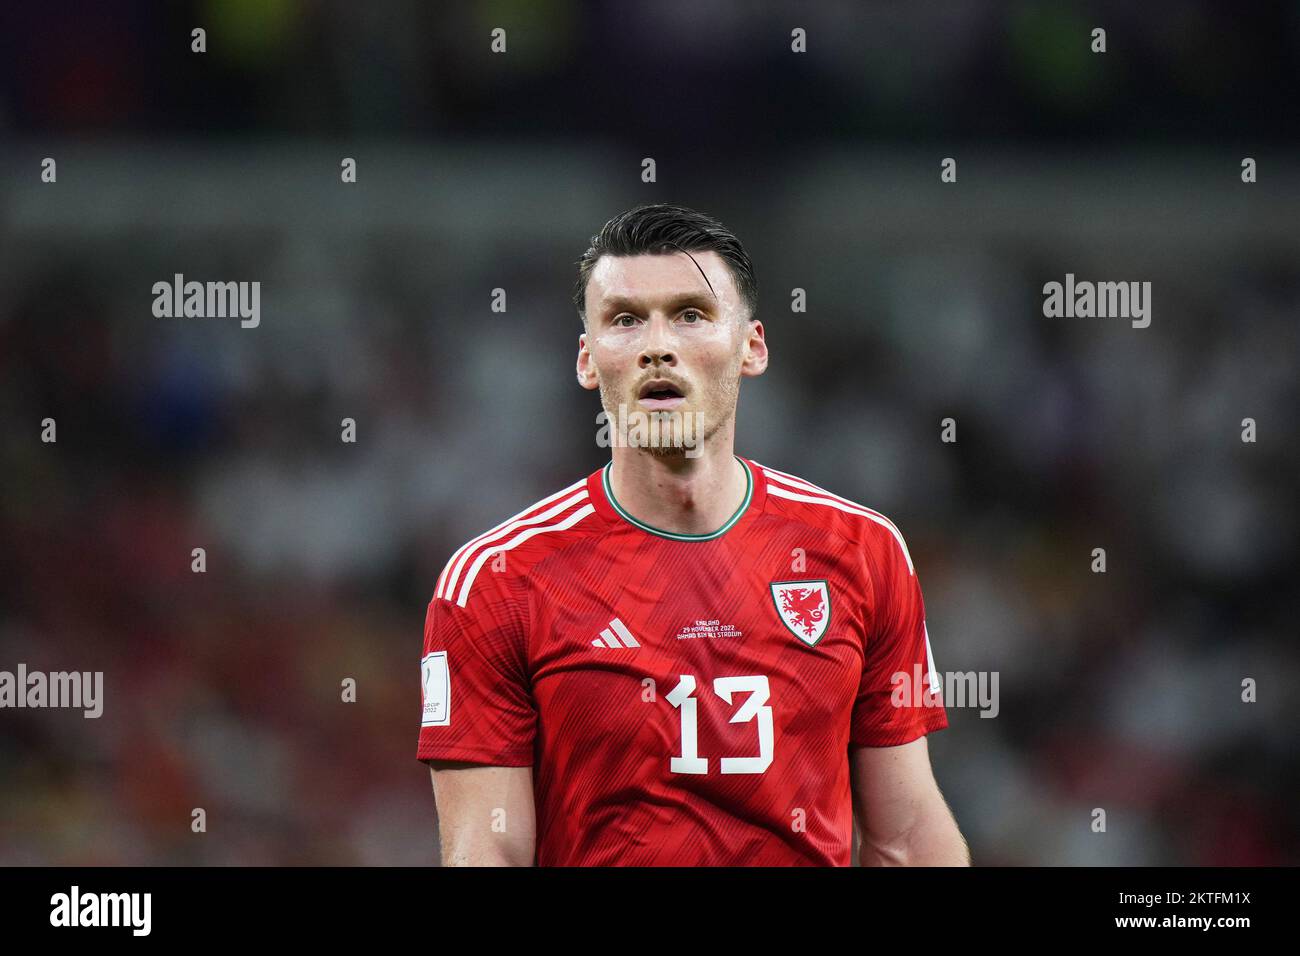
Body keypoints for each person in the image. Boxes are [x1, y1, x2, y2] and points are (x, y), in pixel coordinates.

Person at [418, 203, 968, 866]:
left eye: (690, 314)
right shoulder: (497, 582)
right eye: (625, 320)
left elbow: (907, 839)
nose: (657, 344)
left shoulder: (863, 552)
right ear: (588, 361)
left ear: (752, 347)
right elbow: (490, 851)